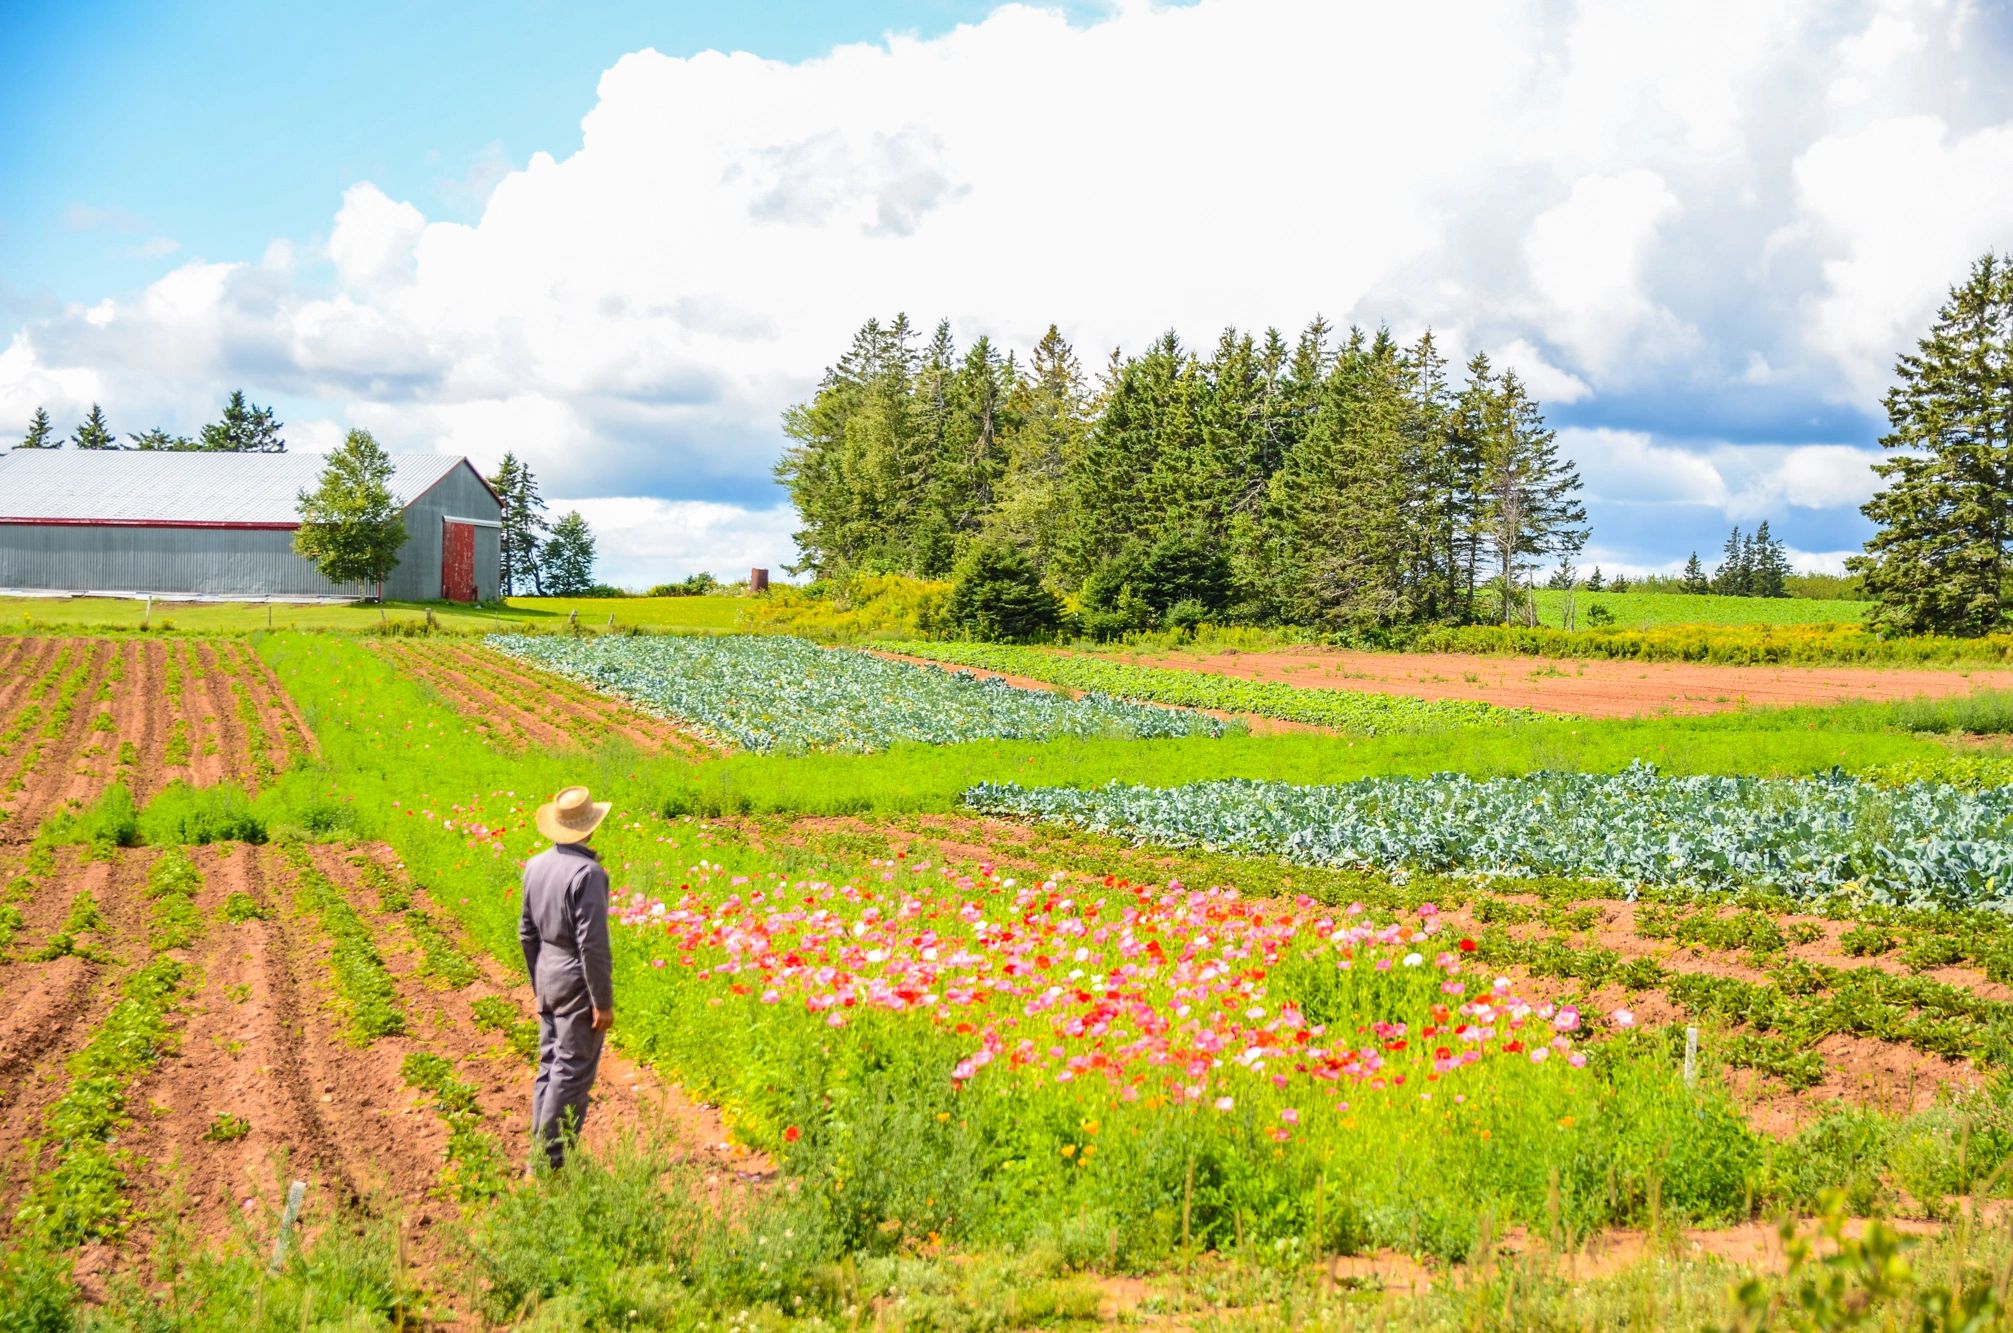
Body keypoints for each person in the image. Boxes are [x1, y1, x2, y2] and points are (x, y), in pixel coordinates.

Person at [519, 785, 614, 1169]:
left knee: (549, 1065)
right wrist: (602, 1001)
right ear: (590, 827)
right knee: (572, 1070)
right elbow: (592, 944)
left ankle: (540, 1153)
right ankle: (550, 1161)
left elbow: (527, 933)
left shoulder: (535, 865)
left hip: (547, 972)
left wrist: (539, 981)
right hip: (576, 978)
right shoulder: (588, 873)